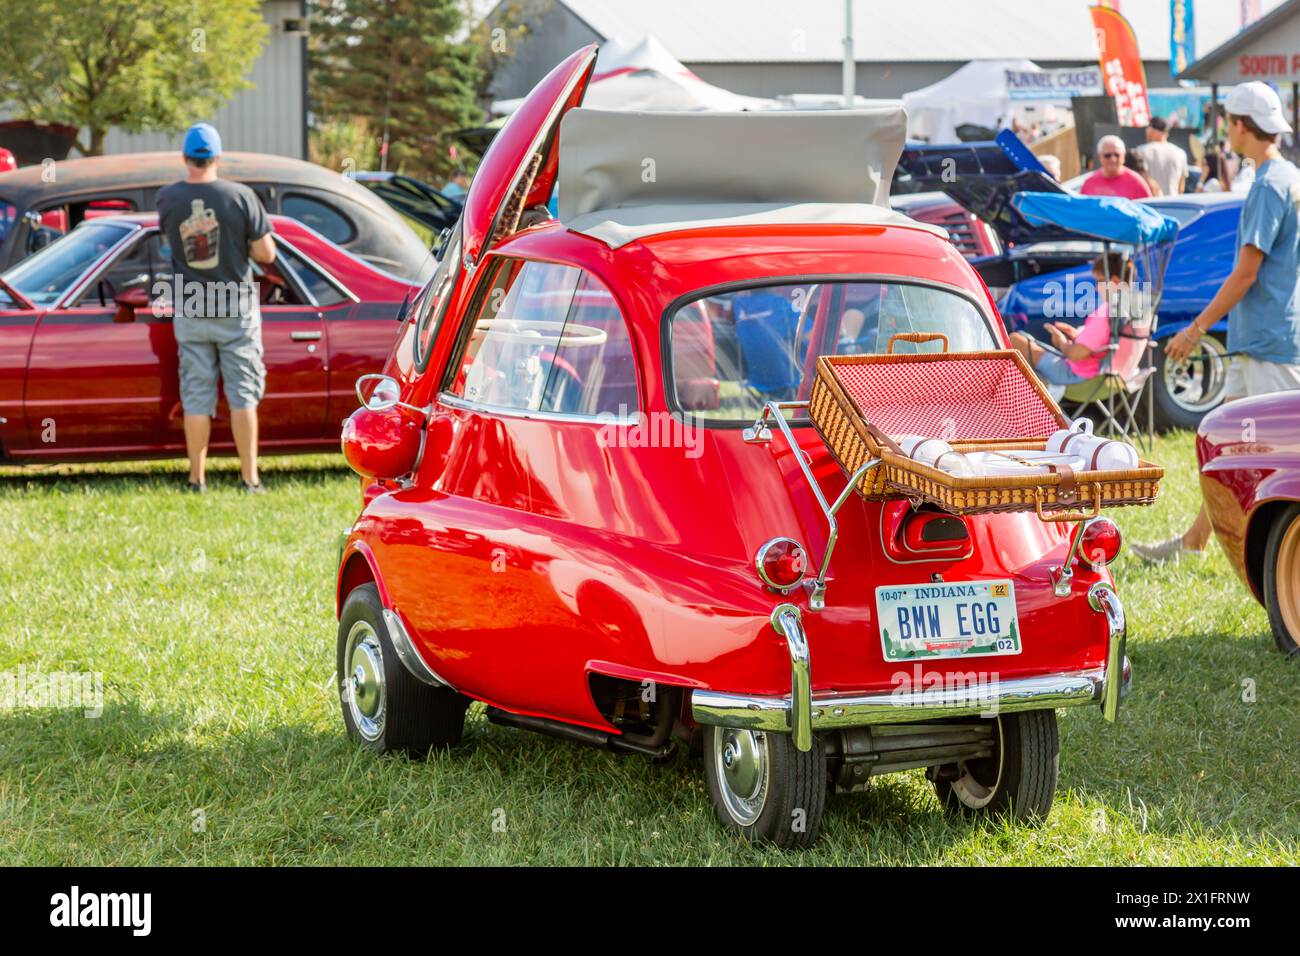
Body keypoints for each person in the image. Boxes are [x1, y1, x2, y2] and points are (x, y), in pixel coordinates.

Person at [1135, 82, 1300, 562]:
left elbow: (1246, 273)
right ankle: (1193, 542)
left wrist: (1194, 330)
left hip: (1269, 343)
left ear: (1242, 126)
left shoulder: (1269, 184)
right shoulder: (1287, 175)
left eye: (1228, 121)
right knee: (1224, 448)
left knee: (1280, 458)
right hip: (1268, 337)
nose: (1225, 130)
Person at [157, 123, 275, 494]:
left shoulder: (167, 198)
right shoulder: (241, 197)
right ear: (218, 157)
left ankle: (196, 478)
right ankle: (249, 478)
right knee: (242, 393)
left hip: (190, 305)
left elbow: (169, 242)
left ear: (185, 158)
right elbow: (267, 254)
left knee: (195, 393)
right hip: (234, 305)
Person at [1009, 252, 1133, 387]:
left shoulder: (1106, 313)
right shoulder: (1128, 307)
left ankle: (1042, 392)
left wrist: (1061, 343)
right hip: (1103, 372)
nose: (1096, 288)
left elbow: (1075, 354)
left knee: (1015, 340)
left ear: (1114, 281)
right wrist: (1075, 335)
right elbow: (1098, 344)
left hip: (1077, 374)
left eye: (1099, 281)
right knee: (1024, 339)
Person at [1080, 135, 1153, 199]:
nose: (1113, 159)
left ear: (1123, 156)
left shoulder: (1137, 183)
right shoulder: (1089, 183)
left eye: (1117, 155)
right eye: (1107, 155)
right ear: (1099, 156)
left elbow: (1148, 212)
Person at [1135, 116, 1188, 196]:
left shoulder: (1140, 151)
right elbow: (1181, 188)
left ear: (1151, 129)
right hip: (1174, 203)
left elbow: (1138, 181)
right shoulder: (1180, 153)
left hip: (1150, 203)